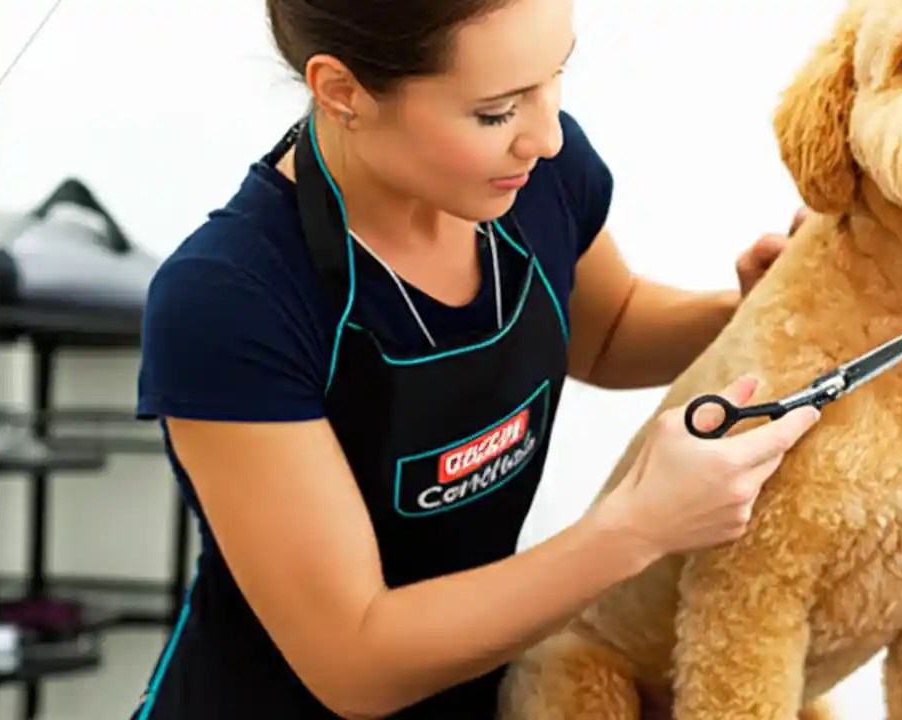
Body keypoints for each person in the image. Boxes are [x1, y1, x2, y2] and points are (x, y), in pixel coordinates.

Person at [130, 0, 820, 717]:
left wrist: (760, 309)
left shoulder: (534, 178)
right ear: (341, 92)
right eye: (497, 112)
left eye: (555, 76)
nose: (547, 136)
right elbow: (356, 662)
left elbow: (607, 330)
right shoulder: (231, 300)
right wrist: (639, 527)